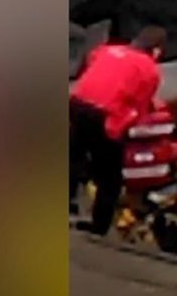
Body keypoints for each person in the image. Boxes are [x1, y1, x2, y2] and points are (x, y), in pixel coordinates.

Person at [69, 27, 167, 235]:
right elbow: (139, 107)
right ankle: (99, 226)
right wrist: (120, 130)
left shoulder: (107, 50)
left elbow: (92, 63)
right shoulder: (149, 69)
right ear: (156, 51)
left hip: (77, 103)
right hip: (105, 114)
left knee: (73, 157)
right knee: (110, 178)